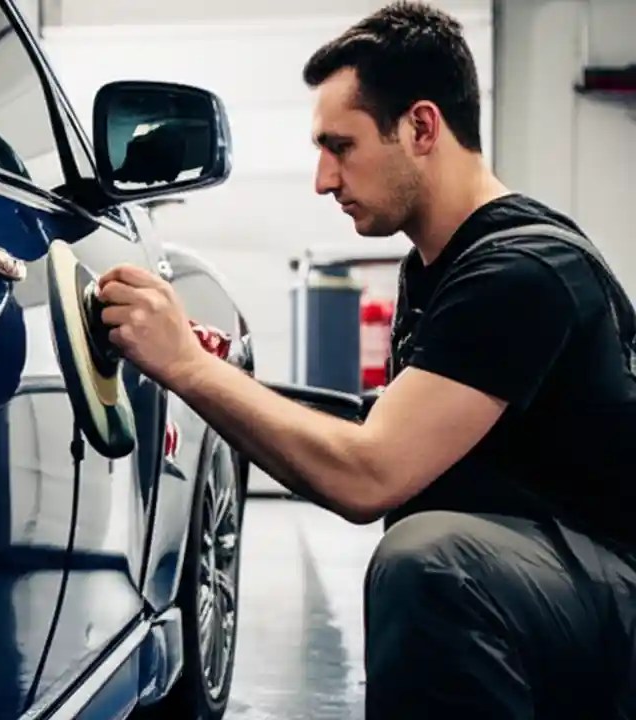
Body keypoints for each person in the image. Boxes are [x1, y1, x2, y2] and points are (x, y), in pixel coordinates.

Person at [95, 3, 636, 718]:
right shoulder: (441, 266)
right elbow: (386, 425)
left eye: (339, 146)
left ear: (420, 127)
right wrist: (211, 364)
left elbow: (369, 472)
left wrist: (189, 370)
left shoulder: (521, 270)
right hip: (565, 575)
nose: (322, 179)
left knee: (433, 564)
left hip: (613, 594)